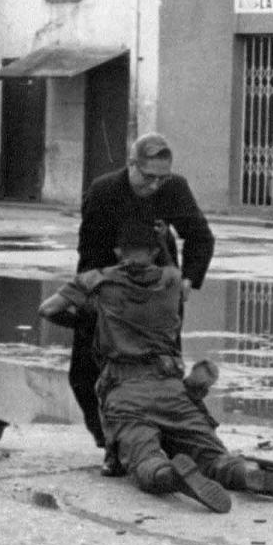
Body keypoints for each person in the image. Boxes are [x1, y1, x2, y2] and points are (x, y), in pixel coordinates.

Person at [40, 219, 273, 513]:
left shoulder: (96, 281)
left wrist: (88, 323)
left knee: (143, 459)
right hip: (172, 391)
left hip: (125, 392)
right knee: (212, 456)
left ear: (118, 250)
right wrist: (164, 249)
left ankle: (169, 475)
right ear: (155, 250)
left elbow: (48, 310)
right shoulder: (171, 280)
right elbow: (174, 273)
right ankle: (245, 473)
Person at [72, 132, 215, 476]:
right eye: (147, 177)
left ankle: (167, 439)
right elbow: (88, 250)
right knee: (86, 372)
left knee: (161, 369)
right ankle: (110, 442)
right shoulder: (103, 191)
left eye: (161, 178)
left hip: (157, 290)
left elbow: (200, 236)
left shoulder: (174, 188)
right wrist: (90, 296)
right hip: (112, 288)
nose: (154, 186)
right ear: (131, 164)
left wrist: (187, 279)